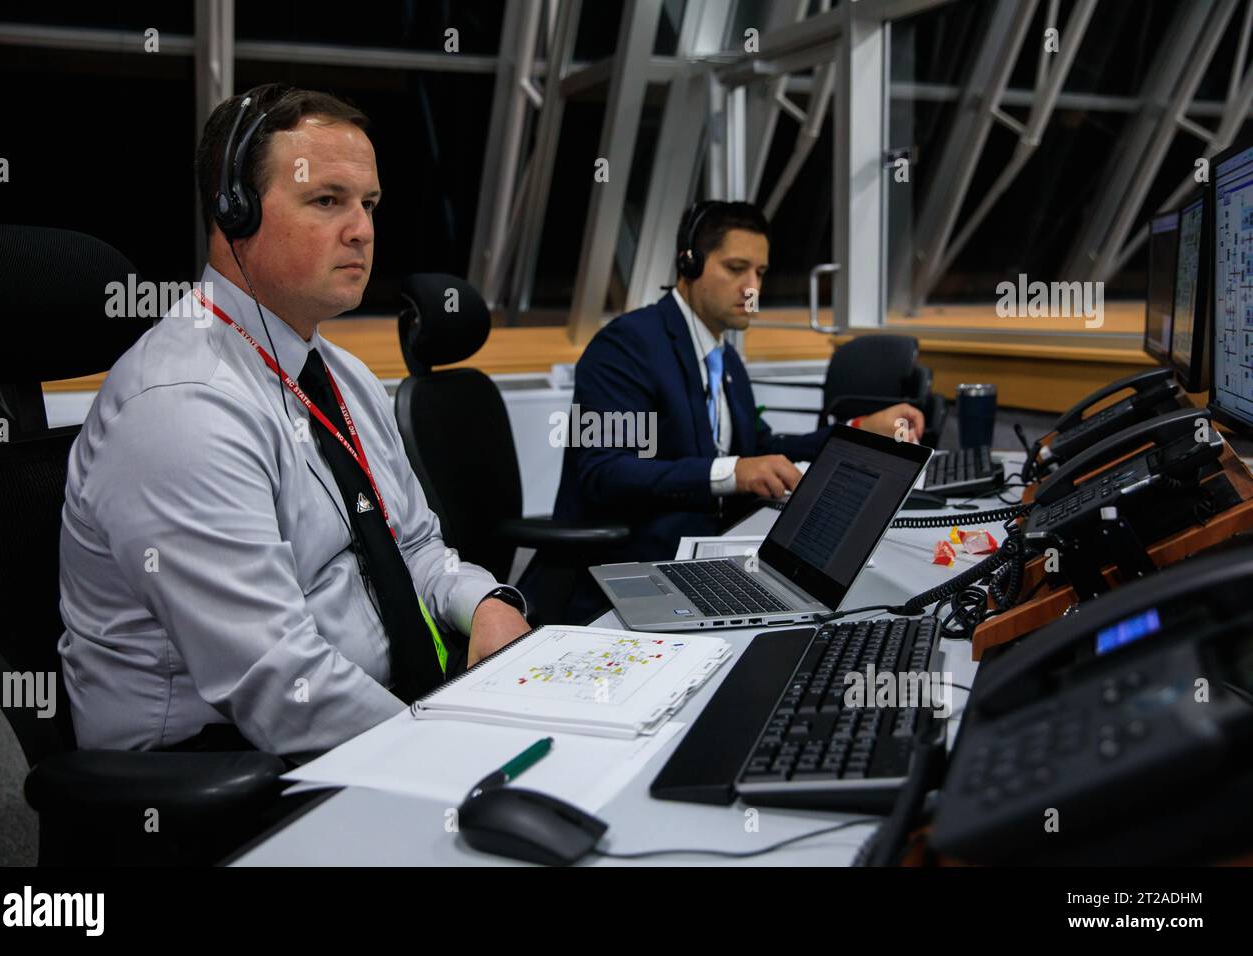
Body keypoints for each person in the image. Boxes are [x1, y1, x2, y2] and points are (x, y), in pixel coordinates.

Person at [58, 84, 530, 757]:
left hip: (387, 714)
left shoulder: (341, 375)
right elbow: (278, 683)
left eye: (368, 204)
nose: (363, 228)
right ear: (234, 214)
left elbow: (415, 546)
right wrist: (454, 752)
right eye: (327, 200)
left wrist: (484, 602)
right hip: (226, 769)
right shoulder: (179, 407)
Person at [549, 200, 924, 619]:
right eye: (736, 268)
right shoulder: (624, 347)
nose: (752, 289)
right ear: (689, 264)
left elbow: (761, 447)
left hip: (705, 559)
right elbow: (605, 471)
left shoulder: (724, 358)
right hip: (627, 574)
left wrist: (858, 429)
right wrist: (730, 472)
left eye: (759, 273)